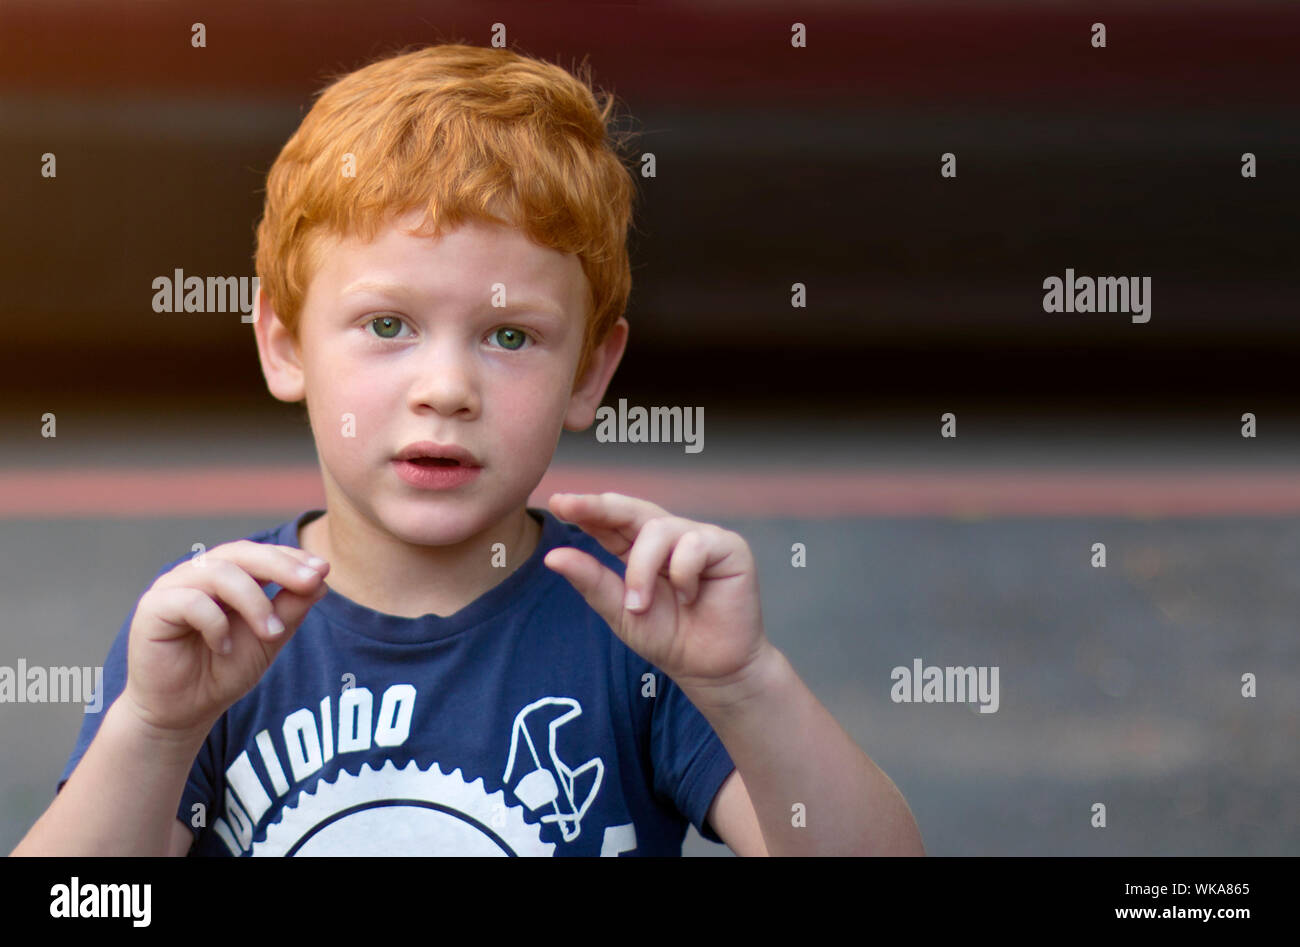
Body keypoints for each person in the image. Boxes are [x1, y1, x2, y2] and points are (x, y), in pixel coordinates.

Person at [11, 43, 923, 857]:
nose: (446, 387)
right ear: (284, 344)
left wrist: (745, 681)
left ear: (589, 372)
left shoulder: (638, 628)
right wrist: (153, 730)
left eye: (511, 337)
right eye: (387, 323)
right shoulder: (217, 626)